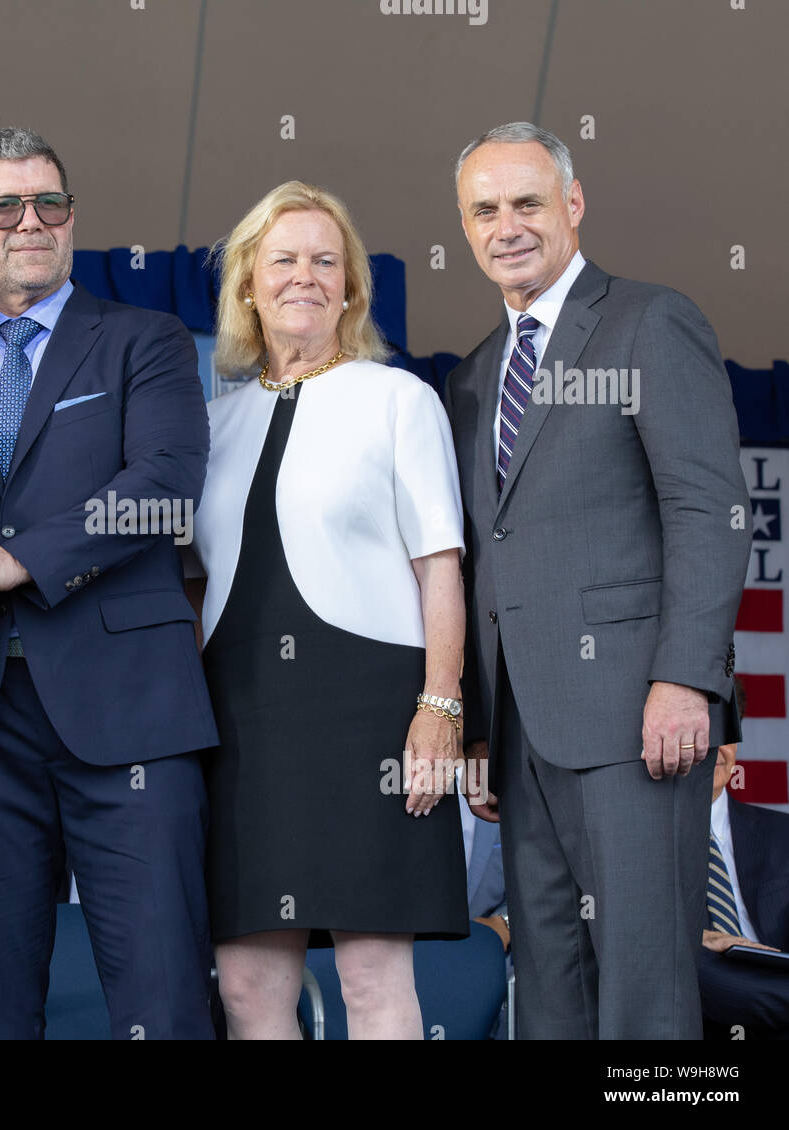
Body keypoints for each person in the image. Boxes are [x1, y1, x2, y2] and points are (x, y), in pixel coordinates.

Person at [0, 127, 219, 1039]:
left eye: (50, 204)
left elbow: (163, 491)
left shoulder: (144, 343)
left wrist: (16, 555)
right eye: (5, 206)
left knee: (165, 993)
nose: (31, 222)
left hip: (130, 711)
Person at [444, 122, 752, 1038]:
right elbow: (481, 557)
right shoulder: (471, 377)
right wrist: (477, 723)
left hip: (635, 719)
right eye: (484, 210)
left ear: (573, 205)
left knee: (645, 986)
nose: (508, 226)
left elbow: (709, 508)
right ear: (464, 230)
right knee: (548, 984)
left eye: (528, 202)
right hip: (521, 736)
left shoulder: (649, 320)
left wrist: (687, 678)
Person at [188, 181, 469, 1040]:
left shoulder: (400, 401)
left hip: (371, 717)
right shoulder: (208, 423)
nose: (304, 276)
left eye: (325, 260)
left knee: (373, 977)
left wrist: (441, 706)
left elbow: (442, 569)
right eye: (283, 259)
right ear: (248, 285)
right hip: (239, 720)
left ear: (350, 287)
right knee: (243, 985)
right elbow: (194, 583)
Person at [700, 725, 789, 1039]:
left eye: (722, 732)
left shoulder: (782, 832)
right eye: (695, 733)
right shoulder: (631, 846)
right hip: (703, 989)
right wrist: (698, 937)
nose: (712, 748)